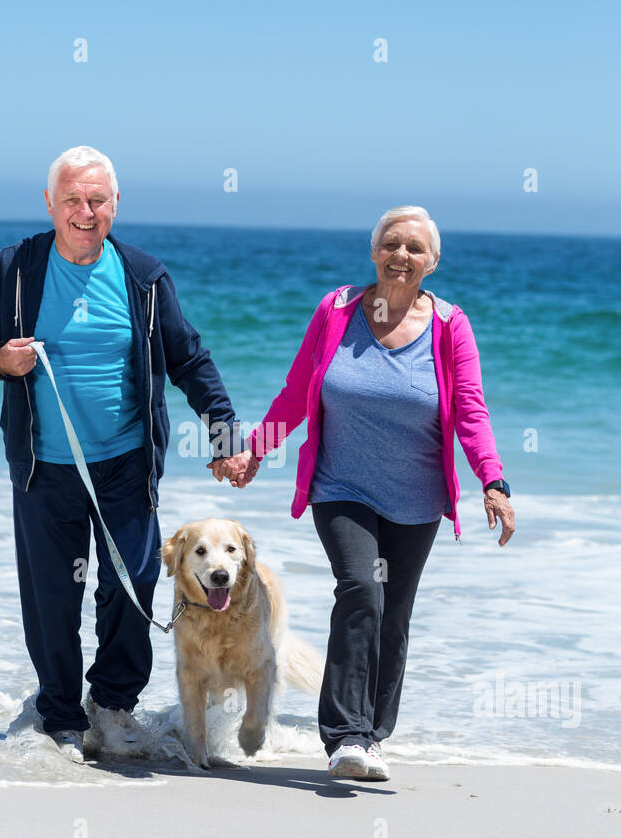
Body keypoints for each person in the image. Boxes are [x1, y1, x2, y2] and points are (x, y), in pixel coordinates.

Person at [0, 145, 244, 754]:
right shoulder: (16, 268)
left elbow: (189, 358)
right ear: (50, 204)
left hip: (126, 462)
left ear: (116, 204)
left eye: (97, 200)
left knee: (130, 582)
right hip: (43, 467)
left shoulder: (145, 277)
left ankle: (112, 706)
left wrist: (223, 436)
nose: (85, 212)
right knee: (53, 591)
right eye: (73, 200)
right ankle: (60, 715)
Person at [213, 206, 515, 781]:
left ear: (432, 262)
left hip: (416, 498)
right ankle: (344, 735)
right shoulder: (337, 311)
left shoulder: (451, 326)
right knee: (361, 592)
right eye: (392, 244)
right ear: (374, 252)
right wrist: (255, 449)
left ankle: (373, 736)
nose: (402, 256)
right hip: (342, 486)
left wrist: (493, 481)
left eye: (415, 248)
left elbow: (471, 411)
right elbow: (299, 390)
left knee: (393, 616)